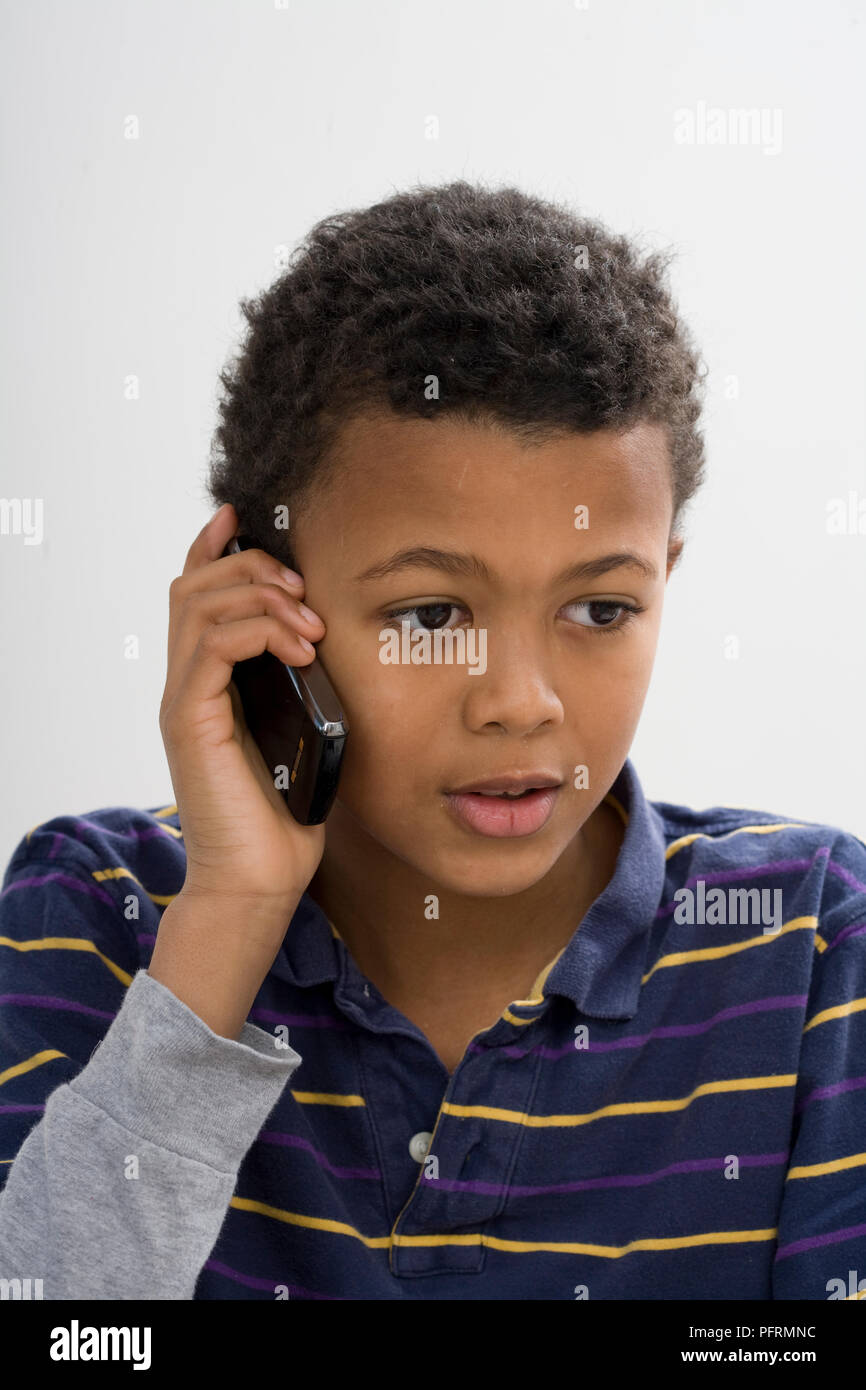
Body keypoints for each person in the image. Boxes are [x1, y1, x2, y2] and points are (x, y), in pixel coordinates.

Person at [1, 180, 864, 1301]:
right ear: (258, 601)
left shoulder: (808, 947)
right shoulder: (98, 913)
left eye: (599, 610)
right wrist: (226, 919)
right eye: (427, 616)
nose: (519, 702)